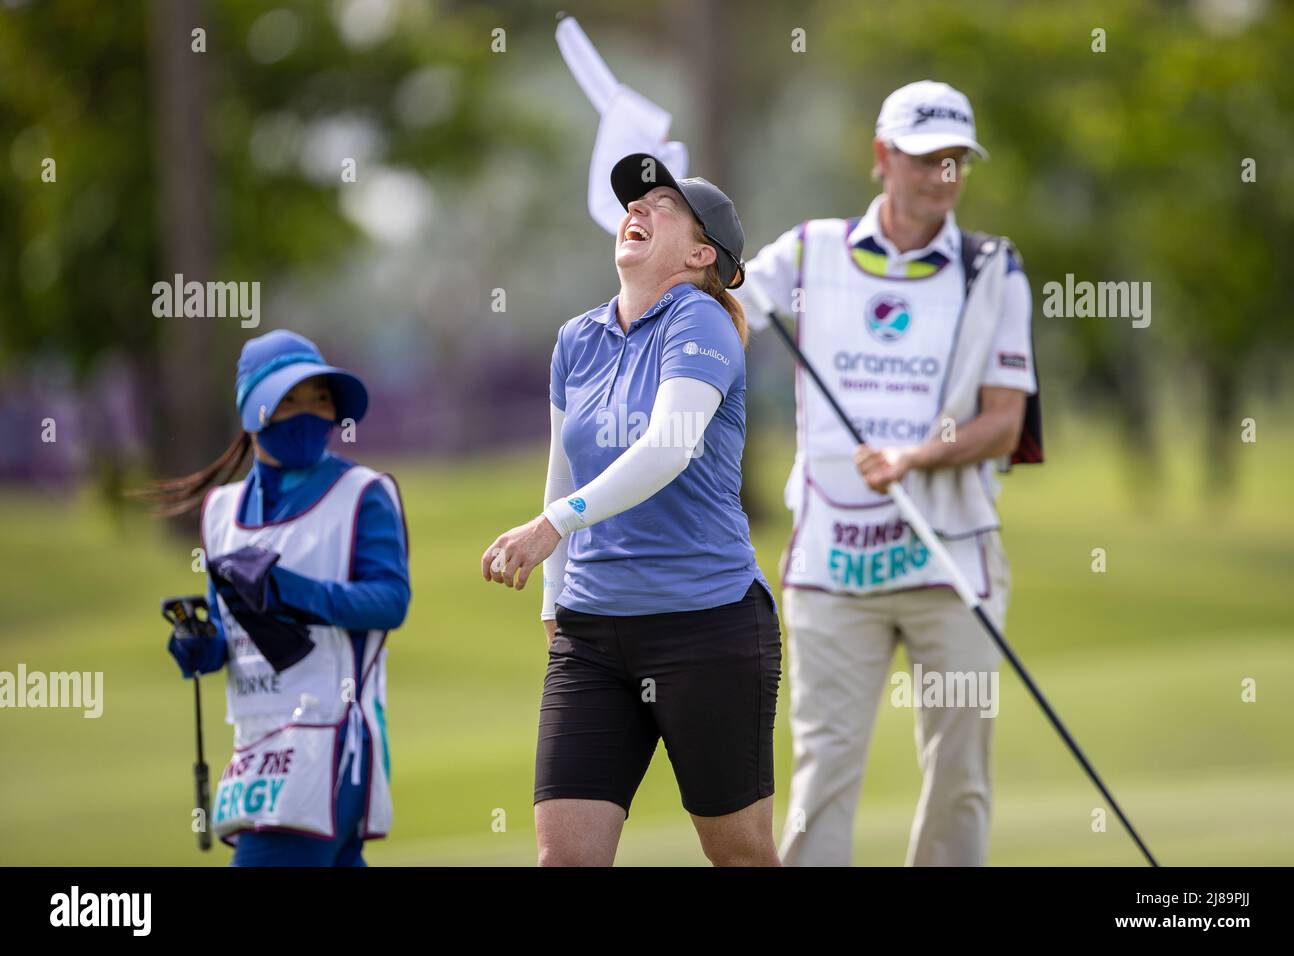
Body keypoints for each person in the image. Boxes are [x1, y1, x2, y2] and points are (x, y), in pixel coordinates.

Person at [735, 80, 1043, 866]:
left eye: (955, 161)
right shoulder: (810, 251)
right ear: (883, 158)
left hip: (952, 557)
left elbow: (1004, 421)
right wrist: (686, 238)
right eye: (925, 158)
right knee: (825, 772)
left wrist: (915, 455)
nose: (942, 177)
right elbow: (727, 311)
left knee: (959, 776)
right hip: (833, 562)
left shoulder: (992, 269)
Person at [480, 152, 782, 867]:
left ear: (702, 253)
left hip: (705, 624)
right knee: (566, 858)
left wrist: (555, 526)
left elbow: (668, 447)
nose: (636, 211)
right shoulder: (575, 338)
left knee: (739, 852)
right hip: (591, 635)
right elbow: (563, 469)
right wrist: (555, 602)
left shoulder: (703, 321)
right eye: (633, 203)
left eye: (662, 206)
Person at [139, 329, 410, 867]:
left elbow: (389, 601)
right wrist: (203, 646)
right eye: (289, 400)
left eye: (320, 398)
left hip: (331, 737)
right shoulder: (219, 510)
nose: (309, 413)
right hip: (257, 745)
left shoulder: (363, 493)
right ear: (253, 411)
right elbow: (231, 629)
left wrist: (295, 592)